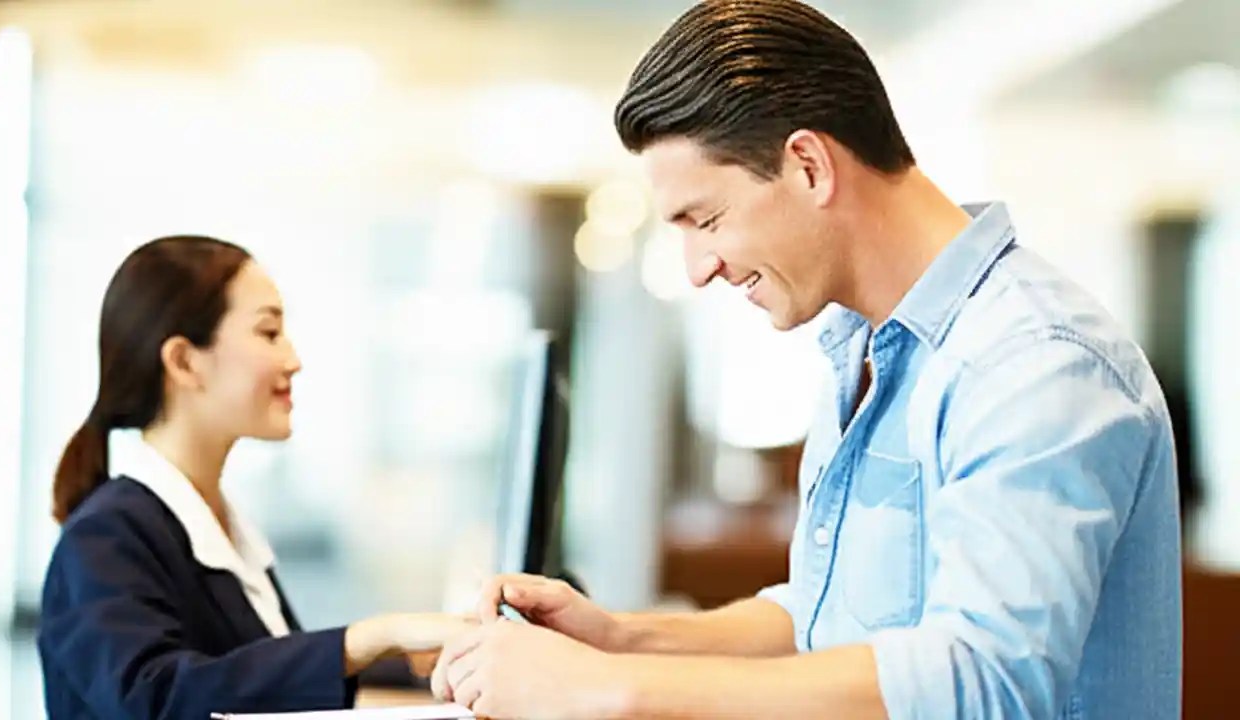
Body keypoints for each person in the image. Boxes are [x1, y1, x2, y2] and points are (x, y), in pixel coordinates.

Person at [430, 1, 1183, 718]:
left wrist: (609, 687)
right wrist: (622, 636)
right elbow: (830, 614)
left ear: (810, 166)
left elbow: (983, 683)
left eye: (708, 219)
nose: (698, 268)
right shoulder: (863, 347)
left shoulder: (1034, 364)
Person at [38, 236, 470, 719]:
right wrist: (372, 637)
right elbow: (157, 700)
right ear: (184, 361)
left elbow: (259, 685)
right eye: (269, 333)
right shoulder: (109, 533)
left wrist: (415, 652)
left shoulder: (223, 526)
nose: (293, 359)